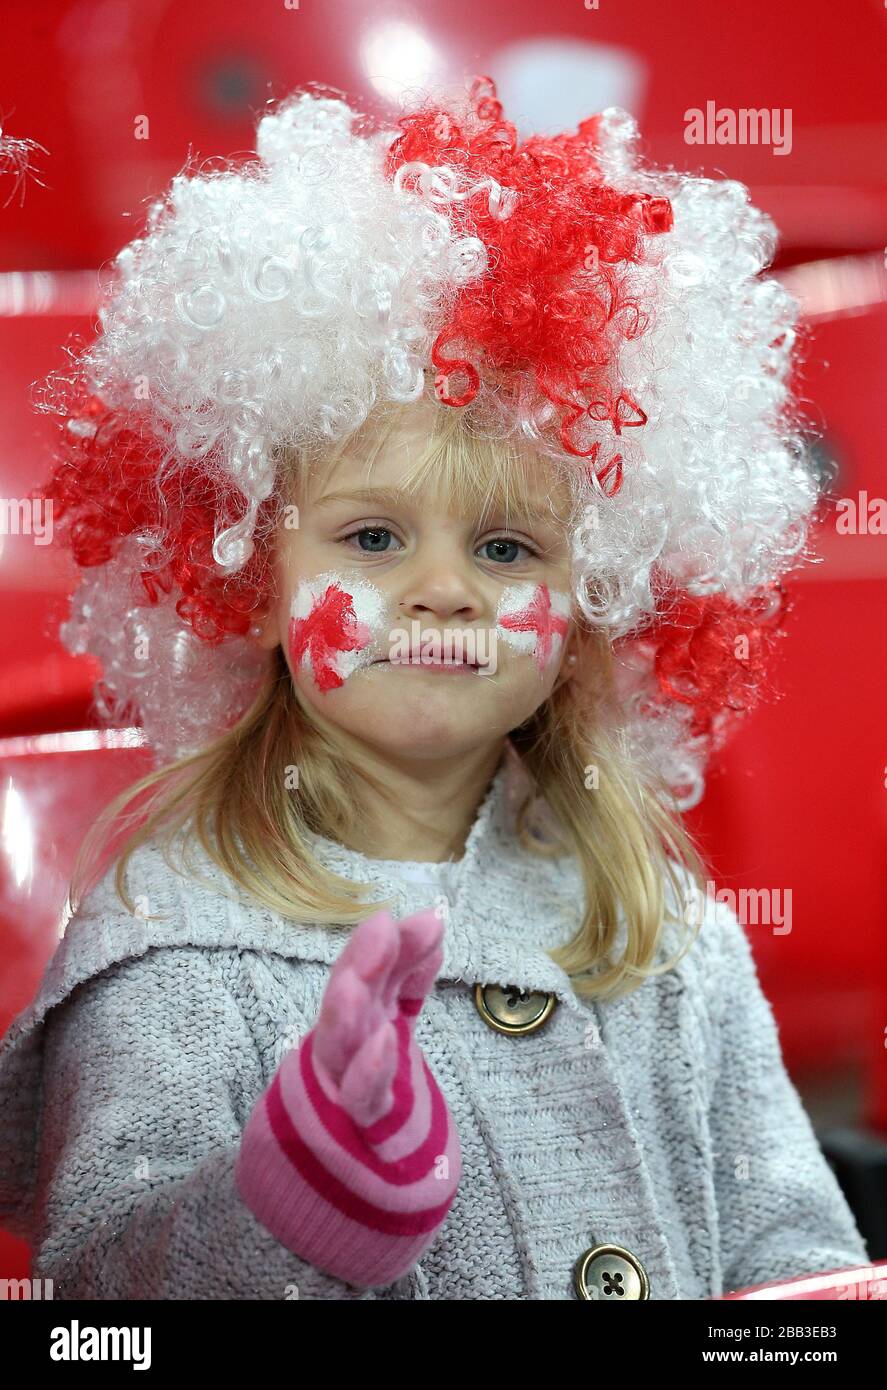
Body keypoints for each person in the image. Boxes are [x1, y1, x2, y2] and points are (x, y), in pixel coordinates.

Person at [0, 76, 869, 1300]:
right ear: (242, 568)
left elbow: (795, 1262)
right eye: (370, 539)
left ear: (586, 612)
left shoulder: (660, 923)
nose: (444, 591)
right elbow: (103, 1308)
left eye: (506, 550)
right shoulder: (170, 944)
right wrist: (289, 1206)